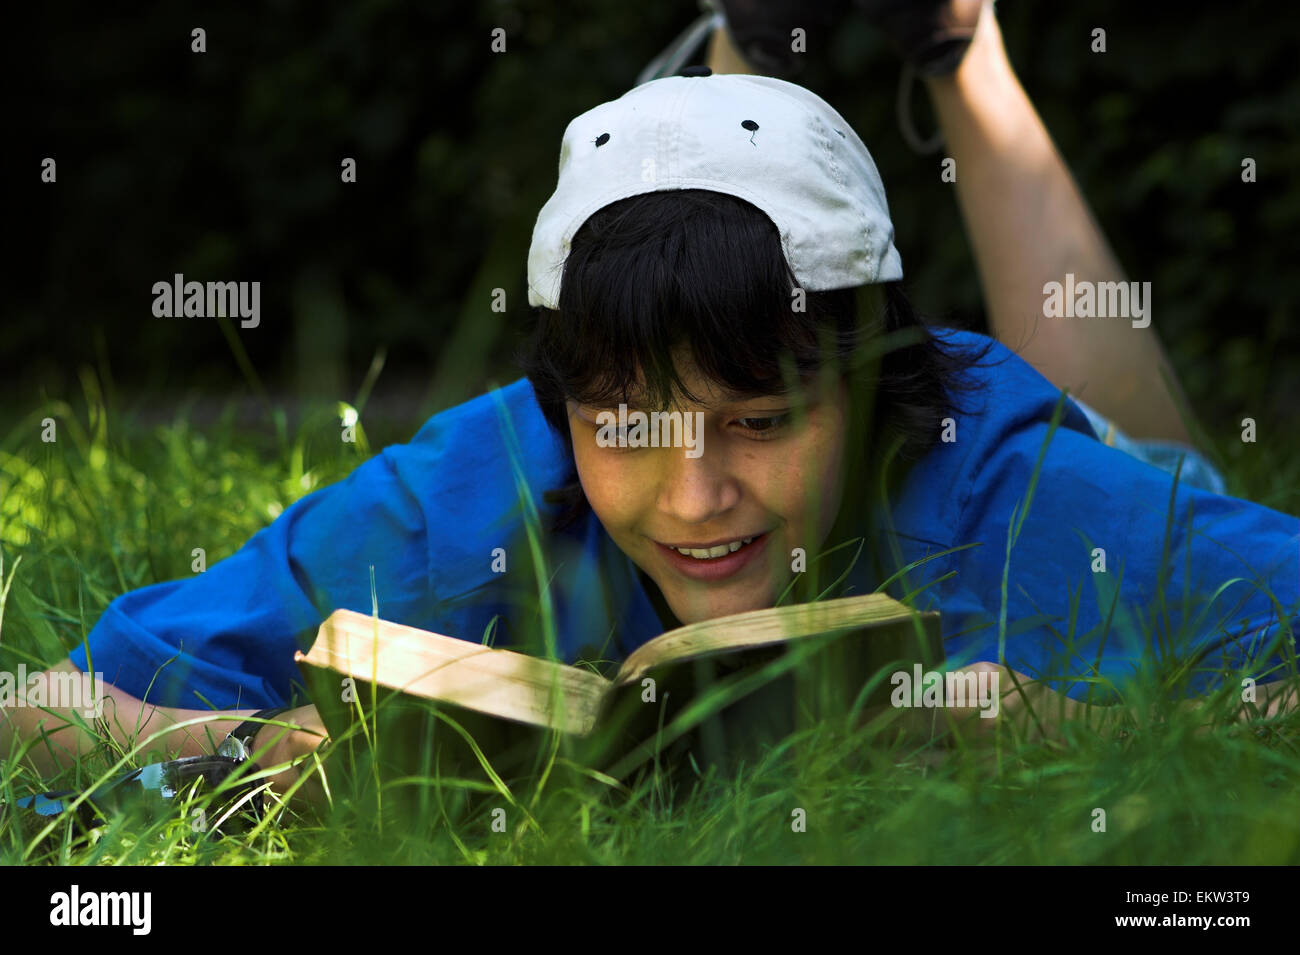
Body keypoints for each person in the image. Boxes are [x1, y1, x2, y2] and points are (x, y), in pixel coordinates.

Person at [3, 1, 1296, 804]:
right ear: (560, 406)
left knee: (1170, 480)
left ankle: (960, 44)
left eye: (762, 419)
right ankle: (761, 44)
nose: (694, 500)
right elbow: (34, 713)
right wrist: (261, 750)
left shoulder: (1025, 499)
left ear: (866, 388)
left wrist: (1114, 724)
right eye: (626, 424)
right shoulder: (473, 496)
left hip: (1070, 470)